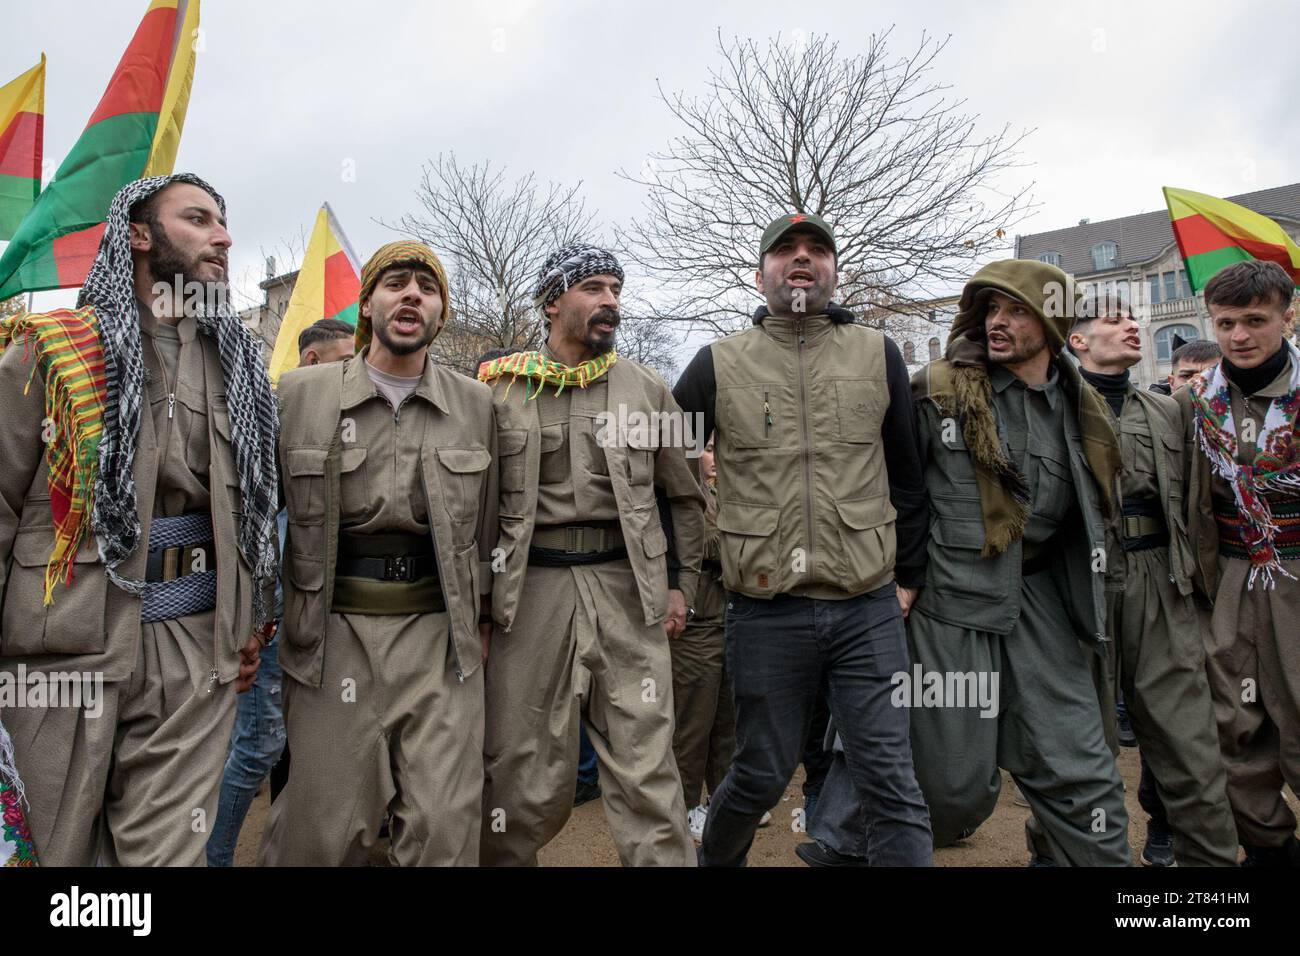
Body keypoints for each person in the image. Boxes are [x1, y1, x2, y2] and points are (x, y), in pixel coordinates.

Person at [0, 174, 279, 866]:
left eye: (224, 220)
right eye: (199, 220)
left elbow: (253, 513)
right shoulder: (52, 349)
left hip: (195, 644)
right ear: (139, 233)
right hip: (62, 649)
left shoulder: (239, 364)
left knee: (163, 858)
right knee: (55, 855)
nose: (224, 237)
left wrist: (248, 620)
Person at [673, 212, 933, 868]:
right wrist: (694, 555)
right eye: (785, 250)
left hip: (866, 607)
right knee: (760, 772)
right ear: (759, 272)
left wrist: (907, 578)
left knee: (889, 776)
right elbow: (662, 470)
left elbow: (907, 473)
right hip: (764, 611)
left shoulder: (879, 354)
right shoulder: (717, 363)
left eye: (817, 249)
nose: (802, 258)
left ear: (834, 270)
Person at [259, 240, 497, 866]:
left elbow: (496, 523)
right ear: (368, 304)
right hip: (332, 636)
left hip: (442, 642)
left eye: (427, 286)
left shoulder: (477, 406)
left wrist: (490, 616)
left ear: (441, 314)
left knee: (444, 827)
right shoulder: (298, 395)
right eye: (395, 283)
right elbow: (254, 517)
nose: (411, 294)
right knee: (326, 831)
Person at [478, 243, 704, 867]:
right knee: (523, 771)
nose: (610, 302)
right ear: (553, 302)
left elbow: (685, 494)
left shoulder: (649, 388)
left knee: (647, 766)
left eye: (616, 290)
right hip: (531, 596)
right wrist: (477, 603)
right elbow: (471, 509)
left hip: (627, 590)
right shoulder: (500, 391)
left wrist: (682, 583)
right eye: (594, 289)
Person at [1067, 291, 1238, 867]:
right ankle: (1069, 855)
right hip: (1080, 582)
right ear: (1078, 340)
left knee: (1188, 738)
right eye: (1114, 321)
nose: (1134, 327)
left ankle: (1209, 871)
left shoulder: (1172, 410)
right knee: (1081, 740)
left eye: (1135, 319)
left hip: (1160, 578)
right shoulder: (1053, 406)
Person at [206, 322, 356, 866]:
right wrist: (251, 617)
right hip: (268, 616)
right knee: (257, 747)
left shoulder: (346, 422)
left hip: (317, 618)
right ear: (311, 360)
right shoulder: (265, 418)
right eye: (343, 361)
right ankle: (214, 858)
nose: (352, 373)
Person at [1178, 259, 1300, 867]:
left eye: (1256, 320)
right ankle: (1270, 848)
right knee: (1232, 727)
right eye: (1226, 323)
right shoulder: (1194, 402)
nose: (1239, 336)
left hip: (1297, 577)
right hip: (1227, 578)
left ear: (1288, 315)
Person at [669, 432, 738, 841]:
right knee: (692, 723)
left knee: (727, 719)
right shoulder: (685, 492)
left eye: (719, 449)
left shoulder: (727, 490)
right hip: (696, 624)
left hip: (730, 619)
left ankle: (723, 800)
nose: (714, 458)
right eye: (708, 449)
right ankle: (685, 806)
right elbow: (703, 543)